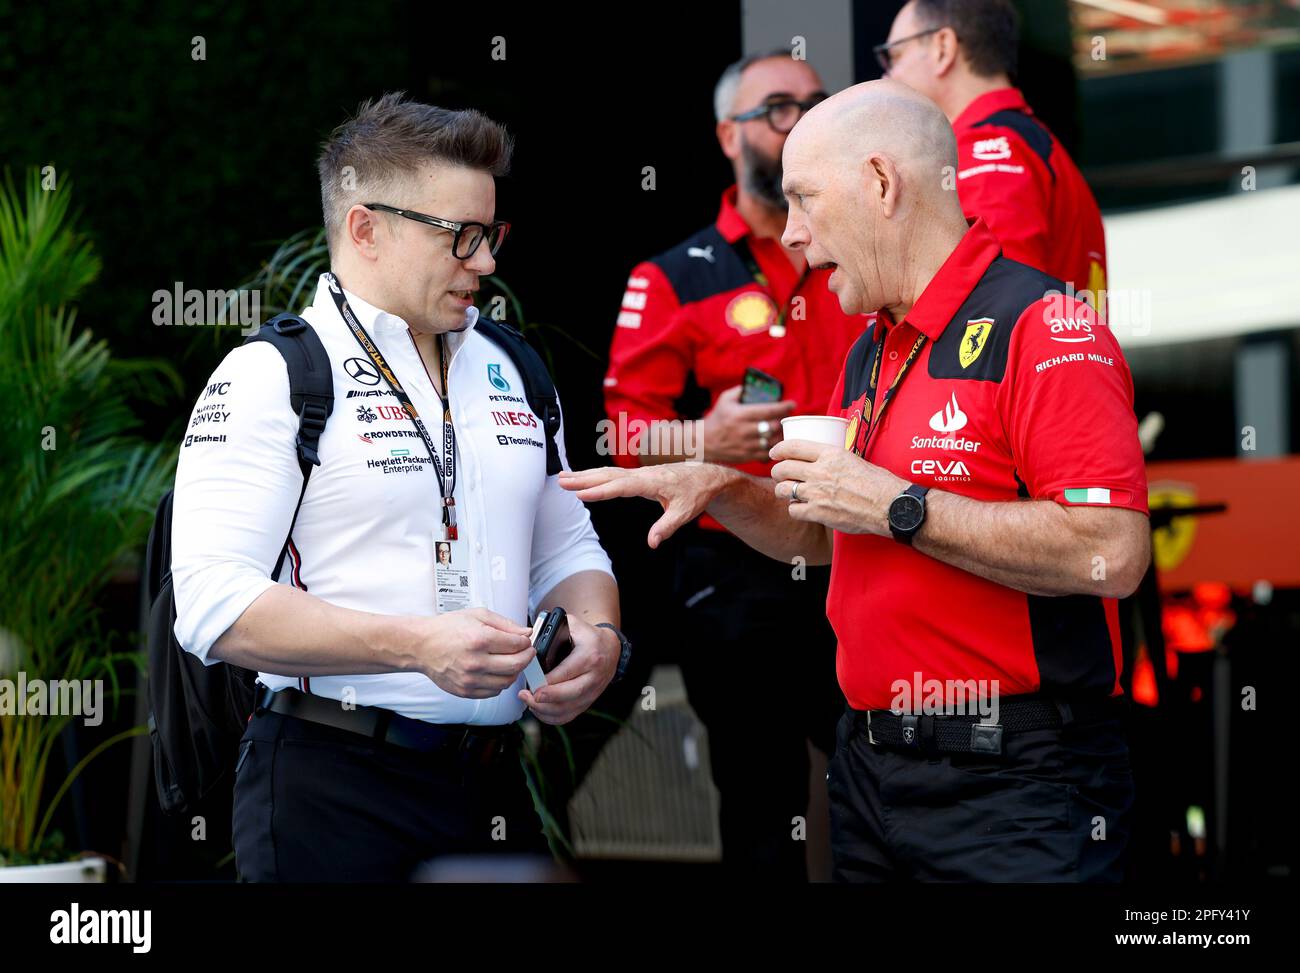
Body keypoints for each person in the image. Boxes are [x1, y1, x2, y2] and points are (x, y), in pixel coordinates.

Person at [563, 80, 1149, 882]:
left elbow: (1111, 553)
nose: (794, 233)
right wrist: (726, 487)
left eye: (805, 200)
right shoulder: (873, 346)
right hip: (872, 773)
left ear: (882, 183)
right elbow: (827, 530)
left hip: (1017, 778)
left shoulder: (1047, 326)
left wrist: (897, 503)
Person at [170, 93, 630, 882]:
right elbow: (214, 606)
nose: (485, 262)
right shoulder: (271, 375)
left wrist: (599, 636)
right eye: (461, 237)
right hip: (330, 784)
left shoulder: (513, 366)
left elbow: (568, 545)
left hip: (489, 782)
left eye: (492, 235)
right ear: (365, 228)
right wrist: (417, 644)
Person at [602, 50, 868, 879]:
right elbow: (623, 436)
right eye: (778, 107)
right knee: (761, 805)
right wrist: (704, 439)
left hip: (864, 544)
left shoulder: (857, 246)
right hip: (737, 564)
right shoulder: (673, 275)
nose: (799, 119)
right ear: (729, 135)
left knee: (881, 779)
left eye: (815, 104)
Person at [877, 0, 1108, 301]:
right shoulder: (1030, 146)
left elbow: (996, 310)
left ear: (942, 48)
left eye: (895, 55)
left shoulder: (986, 155)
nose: (887, 76)